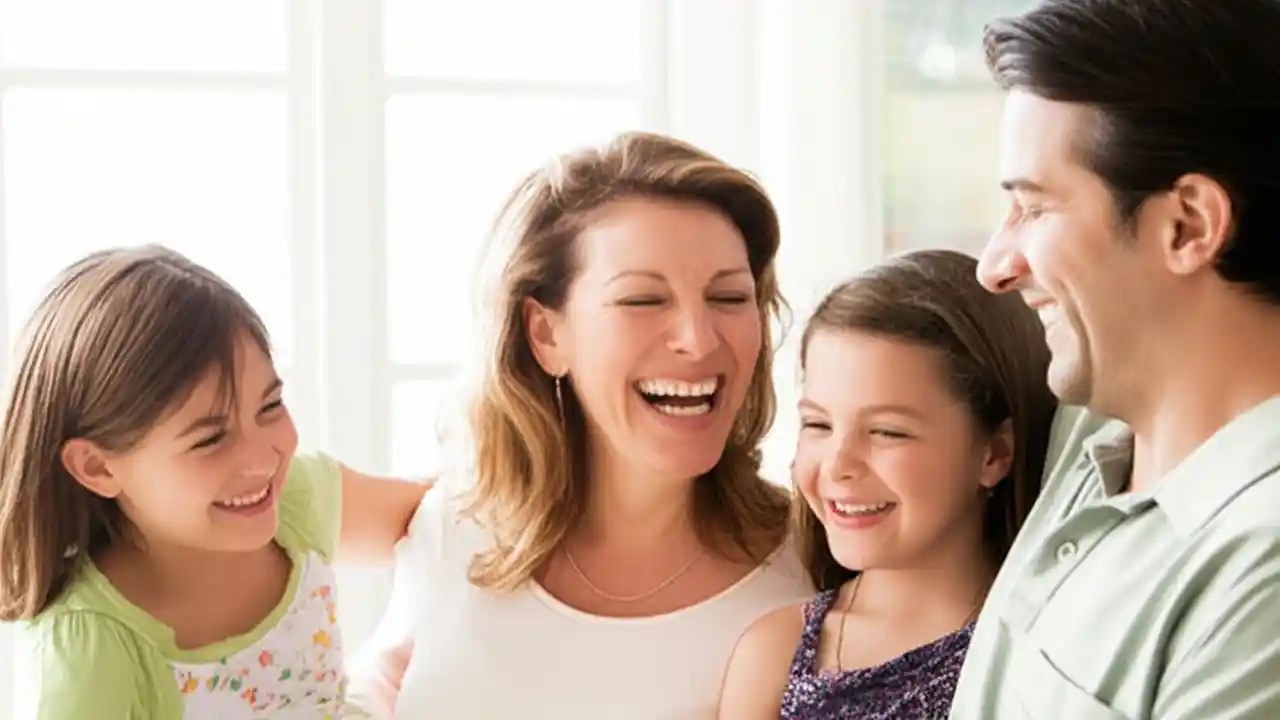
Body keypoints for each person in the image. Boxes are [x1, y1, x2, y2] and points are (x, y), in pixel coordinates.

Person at [348, 131, 813, 718]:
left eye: (728, 298)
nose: (698, 339)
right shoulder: (452, 529)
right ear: (546, 335)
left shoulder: (811, 568)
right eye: (643, 300)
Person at [950, 1, 1280, 717]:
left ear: (1187, 226)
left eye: (1032, 209)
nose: (994, 267)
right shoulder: (1096, 427)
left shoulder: (1261, 573)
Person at [0, 245, 427, 718]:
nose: (262, 459)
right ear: (99, 468)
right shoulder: (91, 647)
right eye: (210, 439)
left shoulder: (295, 501)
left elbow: (443, 519)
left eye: (270, 407)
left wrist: (387, 677)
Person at [716, 250, 1055, 718]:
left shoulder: (1046, 650)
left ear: (994, 454)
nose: (839, 465)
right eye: (817, 425)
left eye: (887, 432)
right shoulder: (775, 654)